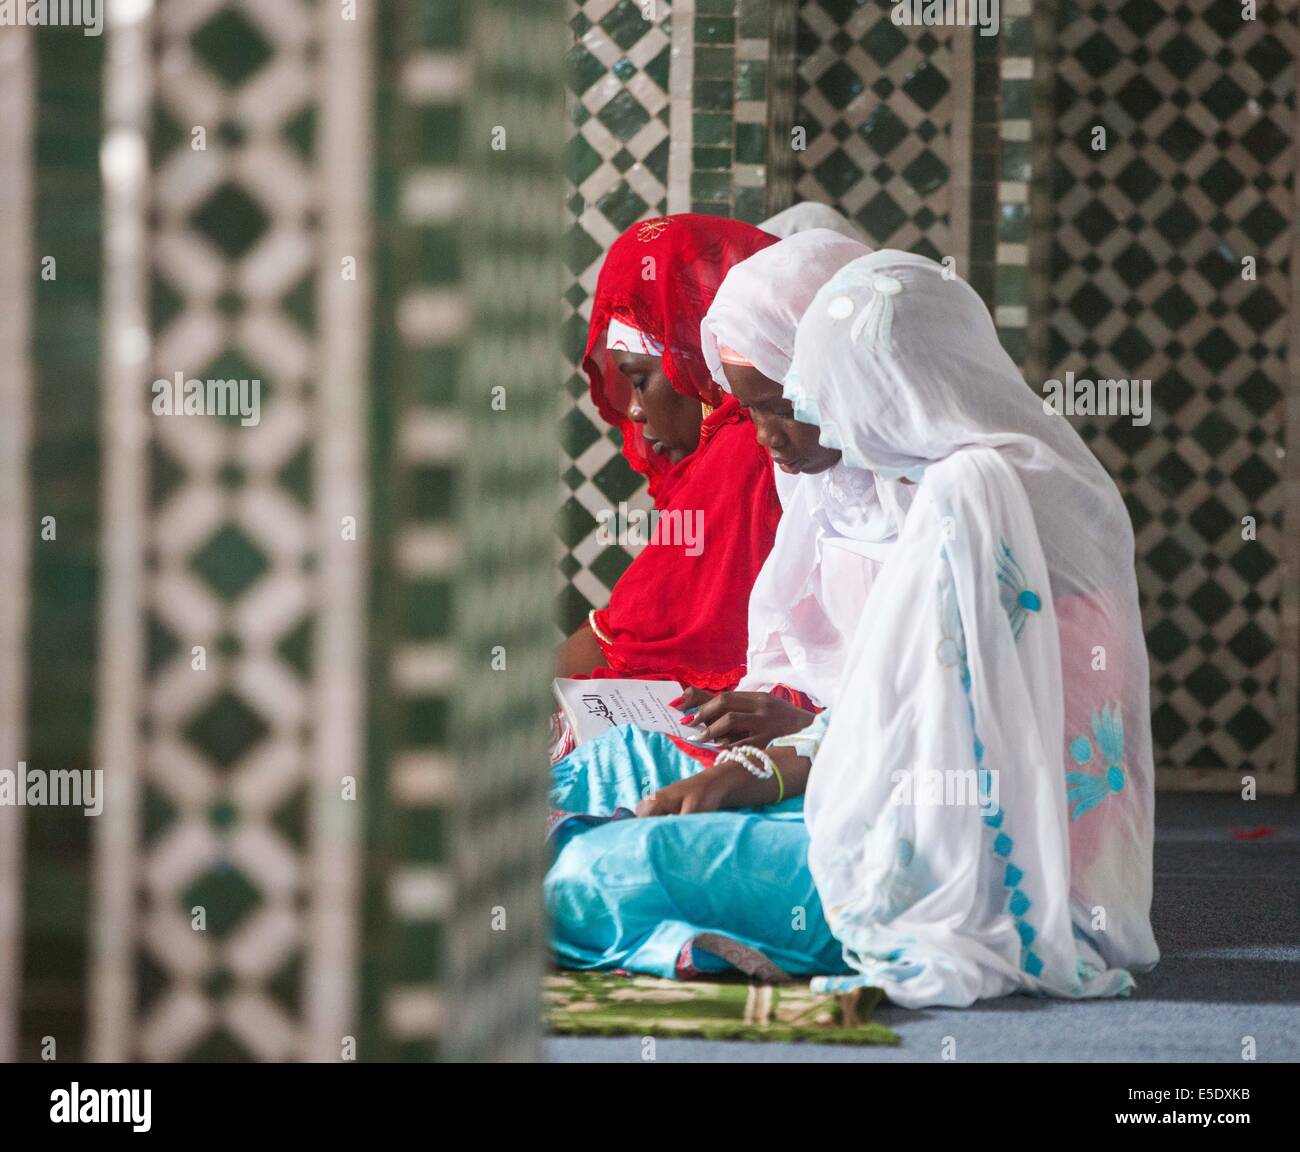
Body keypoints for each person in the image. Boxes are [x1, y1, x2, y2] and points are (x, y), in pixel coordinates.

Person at [547, 229, 887, 979]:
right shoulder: (817, 488)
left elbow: (941, 728)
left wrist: (776, 757)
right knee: (555, 809)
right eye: (749, 407)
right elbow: (784, 665)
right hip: (790, 762)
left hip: (877, 817)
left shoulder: (957, 504)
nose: (764, 435)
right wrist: (771, 738)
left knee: (587, 870)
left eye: (780, 404)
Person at [557, 214, 782, 693]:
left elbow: (641, 641)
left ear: (696, 363)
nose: (635, 412)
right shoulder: (748, 440)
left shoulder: (747, 446)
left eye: (640, 381)